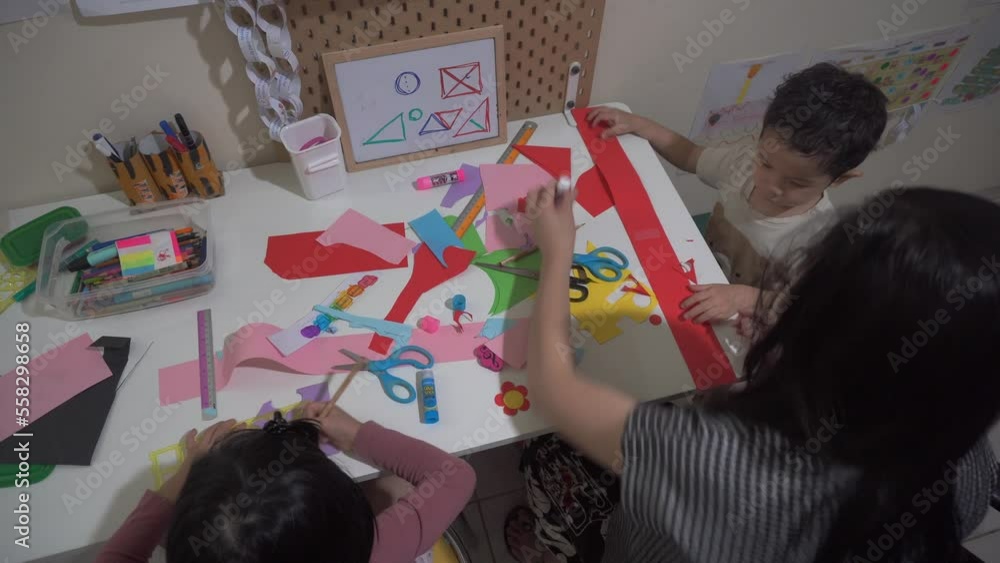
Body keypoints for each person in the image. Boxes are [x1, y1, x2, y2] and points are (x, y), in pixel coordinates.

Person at [512, 182, 1000, 562]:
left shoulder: (717, 459)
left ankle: (560, 548)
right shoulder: (967, 461)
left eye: (805, 291)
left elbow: (554, 388)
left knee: (544, 452)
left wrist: (558, 253)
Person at [587, 62, 888, 324]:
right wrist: (640, 124)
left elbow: (809, 308)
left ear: (840, 179)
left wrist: (743, 299)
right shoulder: (743, 162)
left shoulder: (821, 237)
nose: (770, 185)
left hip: (749, 328)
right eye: (766, 162)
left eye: (796, 183)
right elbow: (690, 155)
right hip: (700, 284)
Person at [96, 402, 476, 563]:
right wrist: (356, 433)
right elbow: (455, 476)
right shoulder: (375, 551)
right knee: (395, 488)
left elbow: (115, 558)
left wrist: (185, 474)